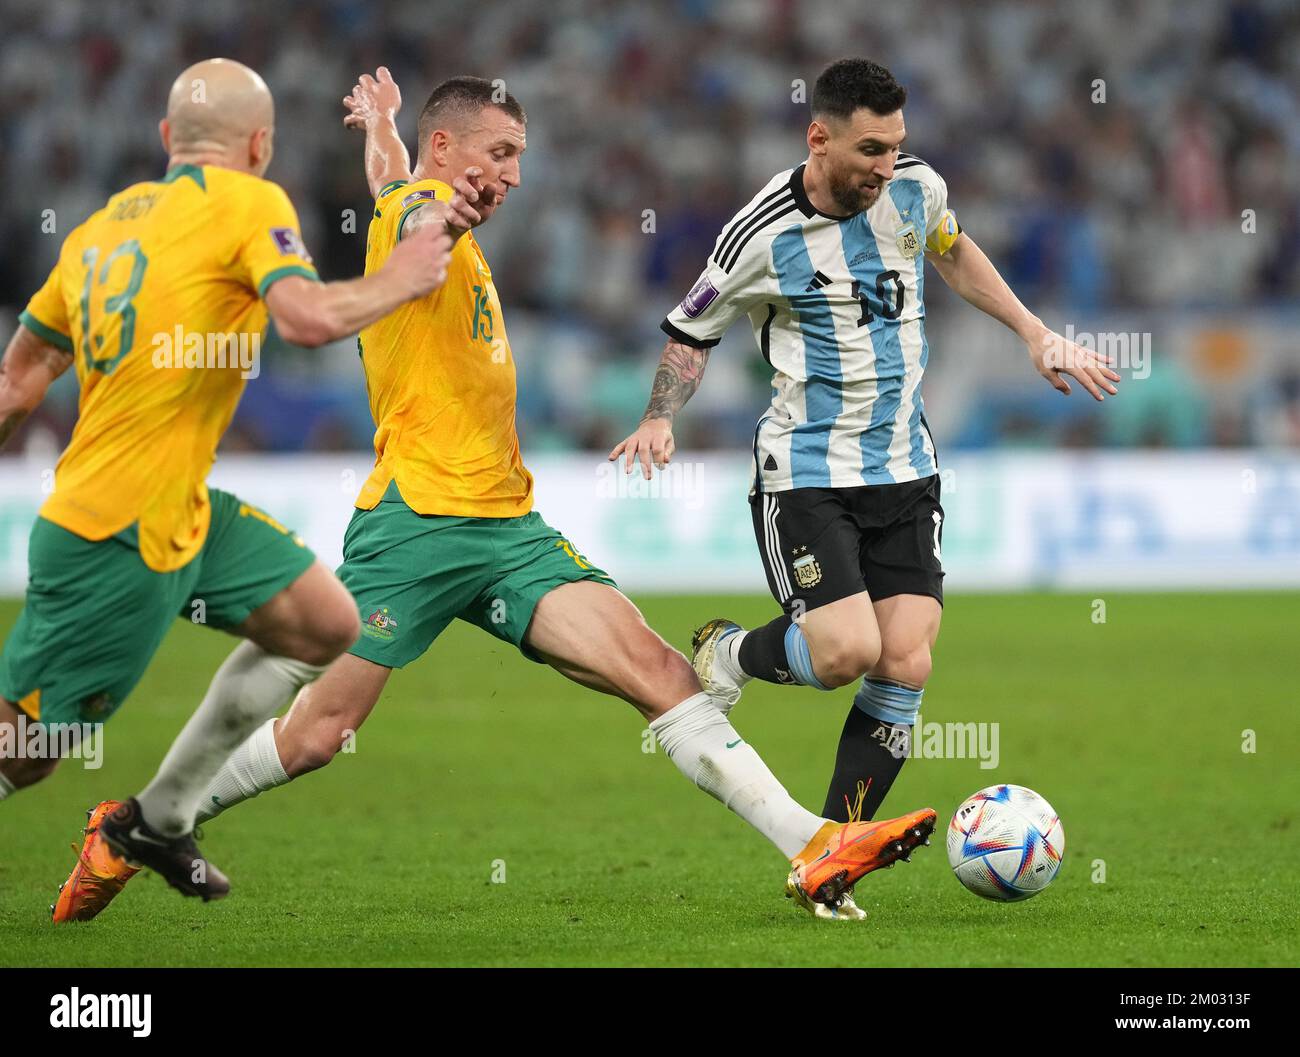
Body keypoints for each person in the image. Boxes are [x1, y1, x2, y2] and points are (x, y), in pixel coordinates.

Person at [54, 66, 938, 925]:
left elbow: (398, 183)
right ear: (450, 148)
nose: (514, 175)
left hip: (508, 528)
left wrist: (385, 136)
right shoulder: (420, 216)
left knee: (662, 672)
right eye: (502, 154)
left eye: (520, 158)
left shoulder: (411, 189)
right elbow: (416, 209)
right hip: (415, 528)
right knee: (318, 735)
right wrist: (440, 198)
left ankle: (813, 841)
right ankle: (134, 826)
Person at [611, 57, 1118, 917]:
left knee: (907, 653)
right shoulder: (758, 235)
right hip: (806, 475)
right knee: (844, 651)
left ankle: (837, 849)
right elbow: (690, 332)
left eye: (898, 147)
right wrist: (662, 414)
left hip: (905, 467)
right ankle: (729, 651)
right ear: (820, 136)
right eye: (872, 148)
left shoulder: (917, 190)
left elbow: (954, 254)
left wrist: (1037, 334)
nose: (888, 166)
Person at [0, 57, 452, 909]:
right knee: (29, 749)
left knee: (323, 622)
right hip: (116, 530)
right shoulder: (251, 200)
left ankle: (161, 817)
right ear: (261, 144)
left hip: (181, 508)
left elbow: (18, 383)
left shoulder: (95, 231)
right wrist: (404, 274)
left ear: (169, 139)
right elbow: (307, 319)